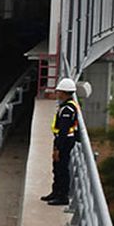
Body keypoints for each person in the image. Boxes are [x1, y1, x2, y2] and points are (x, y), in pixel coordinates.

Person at [41, 77, 81, 206]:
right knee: (57, 168)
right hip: (64, 140)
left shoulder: (67, 110)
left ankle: (62, 196)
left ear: (64, 92)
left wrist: (57, 149)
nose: (57, 93)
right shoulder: (67, 106)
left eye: (58, 91)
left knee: (62, 169)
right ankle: (55, 192)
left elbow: (63, 131)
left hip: (64, 142)